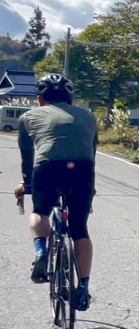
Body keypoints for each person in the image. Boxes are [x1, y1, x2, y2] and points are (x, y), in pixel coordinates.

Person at [18, 73, 98, 310]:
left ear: (41, 100)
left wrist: (27, 184)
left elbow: (27, 156)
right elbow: (91, 154)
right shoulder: (89, 117)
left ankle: (41, 251)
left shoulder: (27, 117)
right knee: (80, 229)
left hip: (47, 169)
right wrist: (89, 189)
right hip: (83, 171)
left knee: (40, 212)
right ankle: (83, 288)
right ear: (71, 100)